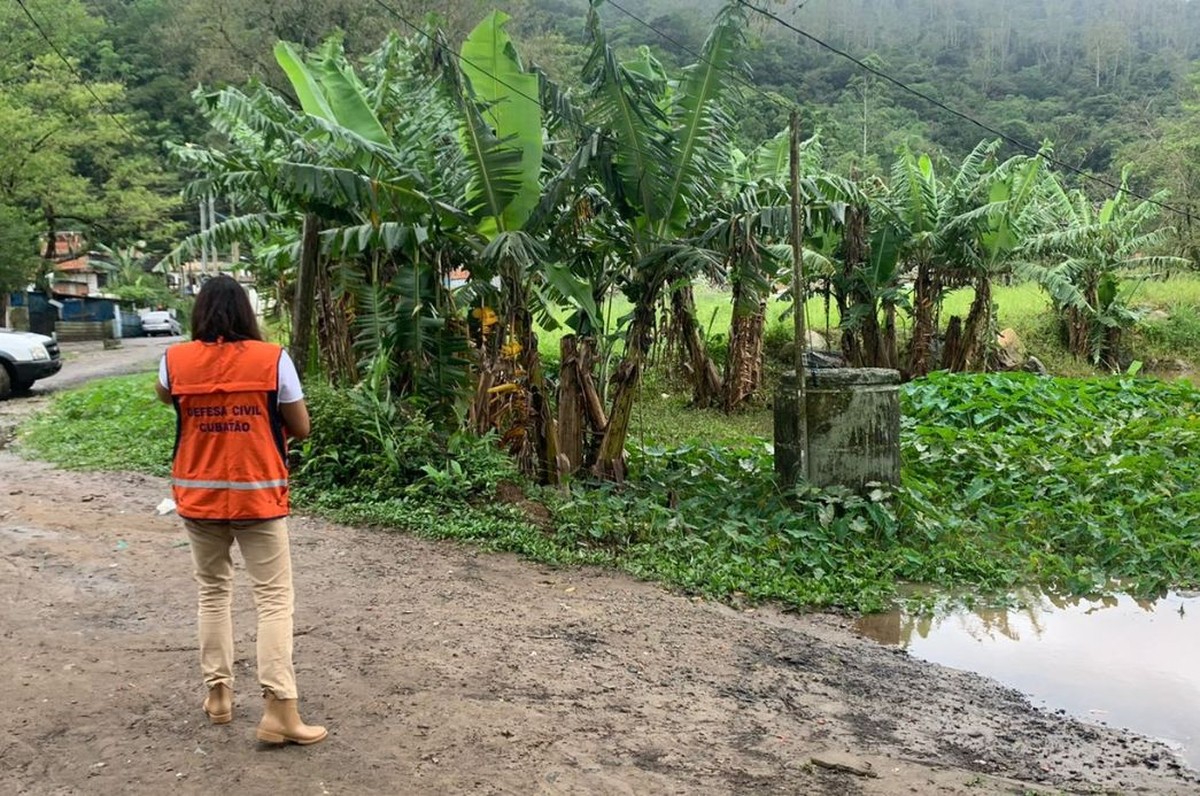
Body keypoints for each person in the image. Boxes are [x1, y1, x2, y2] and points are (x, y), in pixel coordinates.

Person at [155, 275, 326, 745]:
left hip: (199, 497)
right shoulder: (272, 360)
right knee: (272, 599)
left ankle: (219, 697)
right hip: (257, 495)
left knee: (212, 592)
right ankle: (279, 710)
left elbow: (167, 397)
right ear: (248, 312)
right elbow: (302, 427)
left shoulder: (174, 360)